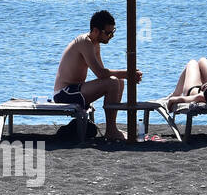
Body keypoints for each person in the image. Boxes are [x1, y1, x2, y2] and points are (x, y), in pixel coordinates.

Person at [52, 10, 143, 142]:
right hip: (64, 93)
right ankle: (111, 131)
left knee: (118, 82)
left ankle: (112, 128)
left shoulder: (95, 44)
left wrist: (125, 75)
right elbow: (101, 73)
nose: (111, 36)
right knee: (113, 82)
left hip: (75, 89)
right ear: (95, 30)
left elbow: (103, 75)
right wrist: (128, 73)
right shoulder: (85, 42)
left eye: (113, 32)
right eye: (108, 33)